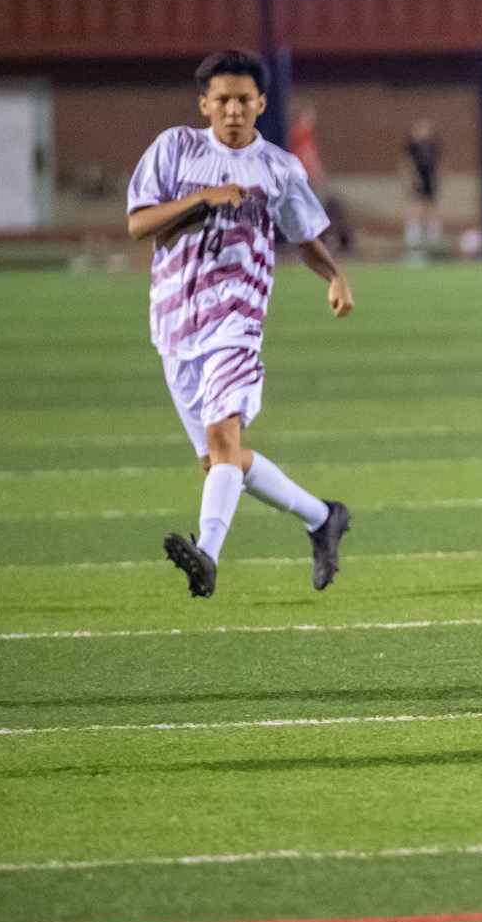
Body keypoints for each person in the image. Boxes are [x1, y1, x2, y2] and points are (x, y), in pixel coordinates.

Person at [124, 49, 354, 599]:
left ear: (262, 104)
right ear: (204, 103)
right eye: (222, 100)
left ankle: (207, 555)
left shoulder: (278, 167)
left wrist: (335, 276)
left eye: (243, 100)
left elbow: (303, 236)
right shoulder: (174, 149)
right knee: (222, 464)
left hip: (237, 324)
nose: (232, 110)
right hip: (176, 327)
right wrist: (202, 199)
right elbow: (137, 225)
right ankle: (323, 517)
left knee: (225, 440)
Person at [401, 118, 442, 248]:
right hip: (417, 179)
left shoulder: (433, 146)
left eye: (425, 128)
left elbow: (440, 163)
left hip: (429, 179)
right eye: (419, 128)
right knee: (416, 207)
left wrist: (441, 178)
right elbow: (406, 163)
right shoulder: (411, 146)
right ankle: (413, 240)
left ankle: (432, 240)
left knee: (431, 207)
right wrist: (410, 179)